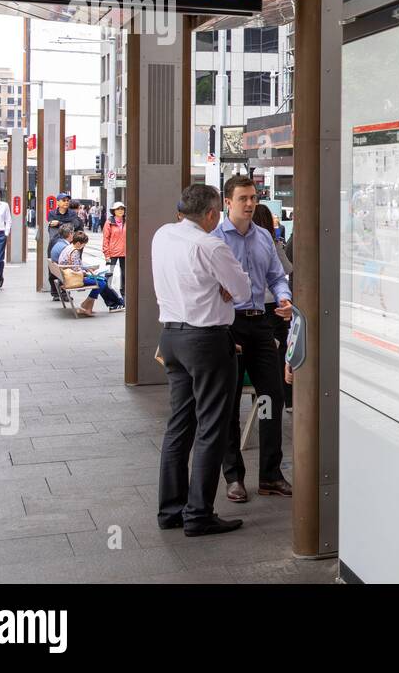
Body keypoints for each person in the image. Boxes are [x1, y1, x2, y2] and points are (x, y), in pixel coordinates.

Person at [152, 183, 251, 536]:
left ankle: (170, 510)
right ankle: (198, 514)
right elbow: (242, 291)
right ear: (211, 214)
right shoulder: (210, 244)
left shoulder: (163, 235)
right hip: (207, 341)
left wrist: (218, 287)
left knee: (179, 424)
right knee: (211, 427)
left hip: (172, 338)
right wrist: (221, 289)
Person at [212, 175, 293, 503]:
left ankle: (271, 475)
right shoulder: (214, 239)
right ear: (227, 202)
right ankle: (234, 477)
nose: (250, 204)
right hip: (228, 326)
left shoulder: (263, 238)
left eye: (253, 197)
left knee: (271, 399)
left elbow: (276, 275)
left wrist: (284, 298)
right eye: (243, 198)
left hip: (261, 325)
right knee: (229, 402)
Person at [254, 203, 294, 412]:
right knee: (280, 353)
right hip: (276, 306)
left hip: (255, 309)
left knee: (260, 355)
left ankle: (260, 399)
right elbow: (287, 269)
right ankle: (285, 398)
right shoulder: (272, 242)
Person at [57, 230, 123, 315]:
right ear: (78, 243)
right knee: (102, 282)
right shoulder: (75, 251)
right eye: (84, 244)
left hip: (67, 276)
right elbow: (76, 269)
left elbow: (75, 266)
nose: (84, 246)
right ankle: (86, 304)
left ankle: (90, 307)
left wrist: (88, 270)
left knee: (102, 280)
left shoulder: (69, 247)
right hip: (74, 278)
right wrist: (89, 272)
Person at [46, 193, 82, 300]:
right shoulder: (52, 213)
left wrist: (59, 223)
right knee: (53, 268)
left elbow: (74, 225)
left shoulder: (72, 213)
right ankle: (55, 292)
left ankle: (66, 292)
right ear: (58, 202)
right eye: (64, 200)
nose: (66, 202)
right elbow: (63, 227)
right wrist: (65, 224)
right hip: (54, 244)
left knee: (68, 269)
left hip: (68, 244)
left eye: (67, 200)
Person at [102, 202, 128, 296]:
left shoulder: (127, 221)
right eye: (118, 209)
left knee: (124, 274)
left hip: (125, 252)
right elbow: (106, 239)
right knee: (110, 273)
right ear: (114, 211)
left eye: (122, 209)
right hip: (112, 252)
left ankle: (123, 292)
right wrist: (106, 254)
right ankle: (107, 291)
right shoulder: (109, 222)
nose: (120, 210)